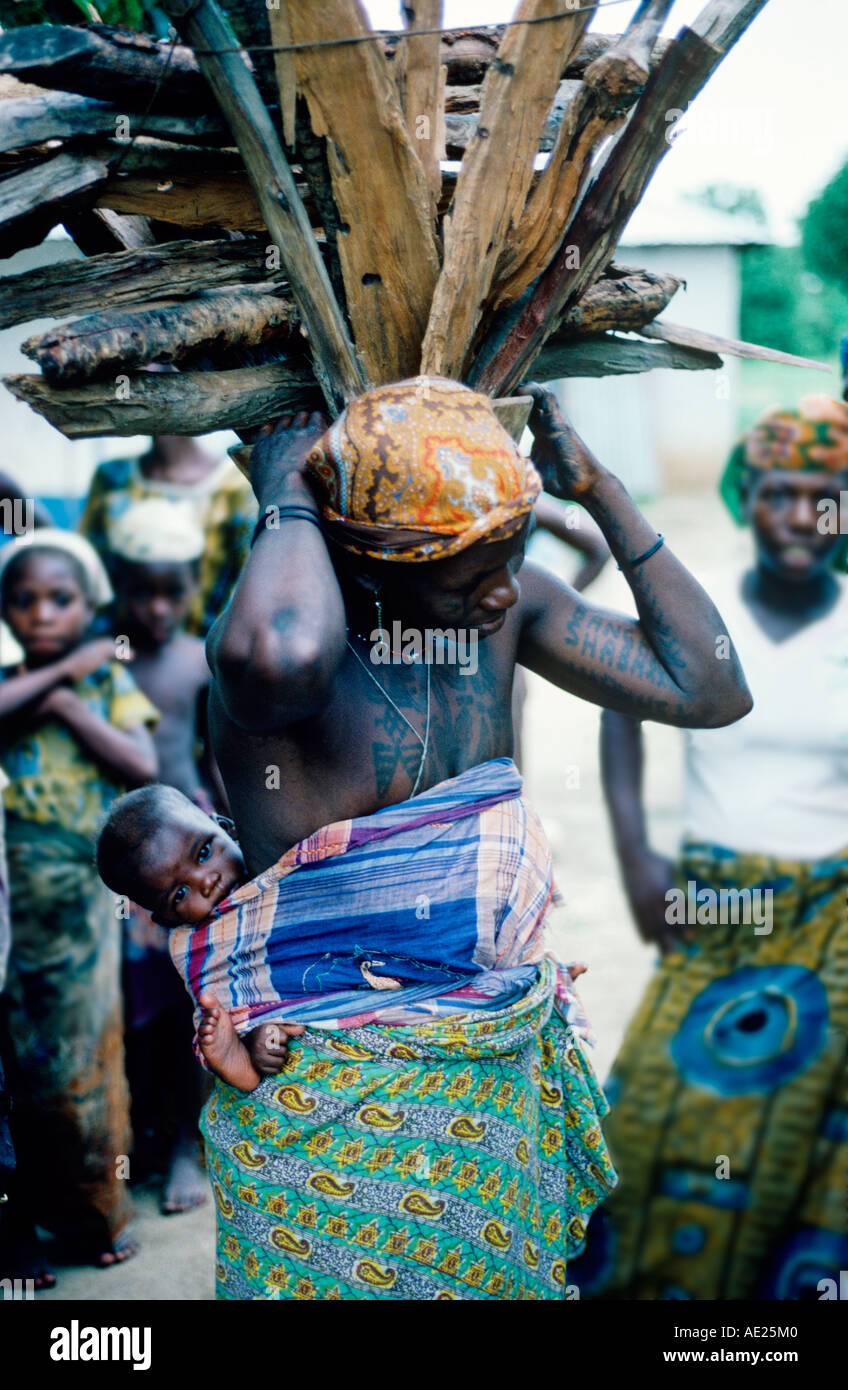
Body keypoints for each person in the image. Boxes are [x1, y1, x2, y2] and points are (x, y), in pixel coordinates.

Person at [200, 376, 750, 1301]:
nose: (499, 595)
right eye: (467, 581)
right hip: (323, 1085)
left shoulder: (504, 610)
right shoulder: (281, 648)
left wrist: (600, 489)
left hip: (488, 1071)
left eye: (511, 558)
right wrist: (287, 493)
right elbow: (284, 656)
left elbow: (709, 688)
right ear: (371, 568)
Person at [576, 395, 848, 1300]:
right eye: (780, 492)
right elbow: (621, 706)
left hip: (835, 917)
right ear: (747, 496)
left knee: (819, 1152)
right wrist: (637, 859)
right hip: (716, 905)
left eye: (827, 495)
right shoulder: (700, 610)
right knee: (656, 1126)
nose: (803, 517)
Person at [0, 530, 158, 1286]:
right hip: (13, 906)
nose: (40, 614)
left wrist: (69, 699)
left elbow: (142, 763)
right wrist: (59, 677)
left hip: (81, 907)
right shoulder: (13, 681)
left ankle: (96, 1215)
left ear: (89, 604)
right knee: (19, 1068)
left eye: (59, 600)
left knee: (83, 1062)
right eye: (23, 601)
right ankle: (22, 1223)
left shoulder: (107, 686)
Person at [108, 499, 224, 1214]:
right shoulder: (101, 658)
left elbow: (216, 761)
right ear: (117, 584)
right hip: (123, 868)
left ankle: (188, 1140)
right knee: (136, 1010)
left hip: (181, 864)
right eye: (141, 590)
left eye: (172, 590)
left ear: (193, 584)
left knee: (190, 1005)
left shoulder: (197, 661)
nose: (157, 607)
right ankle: (143, 1138)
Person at [97, 783, 303, 1092]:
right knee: (222, 1027)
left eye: (204, 852)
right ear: (167, 919)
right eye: (180, 893)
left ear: (225, 826)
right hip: (293, 1036)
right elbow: (229, 1000)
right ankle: (243, 1058)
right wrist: (252, 1035)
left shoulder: (279, 857)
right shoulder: (202, 948)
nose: (206, 882)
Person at [79, 433, 256, 638]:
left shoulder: (236, 484)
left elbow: (246, 581)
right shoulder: (112, 477)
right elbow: (89, 569)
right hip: (121, 644)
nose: (159, 609)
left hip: (210, 649)